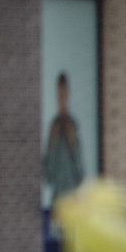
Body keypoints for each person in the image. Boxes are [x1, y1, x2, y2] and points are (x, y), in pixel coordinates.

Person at [44, 71, 86, 207]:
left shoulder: (72, 125)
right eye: (59, 95)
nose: (62, 99)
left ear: (68, 95)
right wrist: (53, 143)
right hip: (58, 194)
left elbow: (80, 168)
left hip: (72, 194)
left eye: (64, 94)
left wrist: (73, 143)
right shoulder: (54, 126)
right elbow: (48, 170)